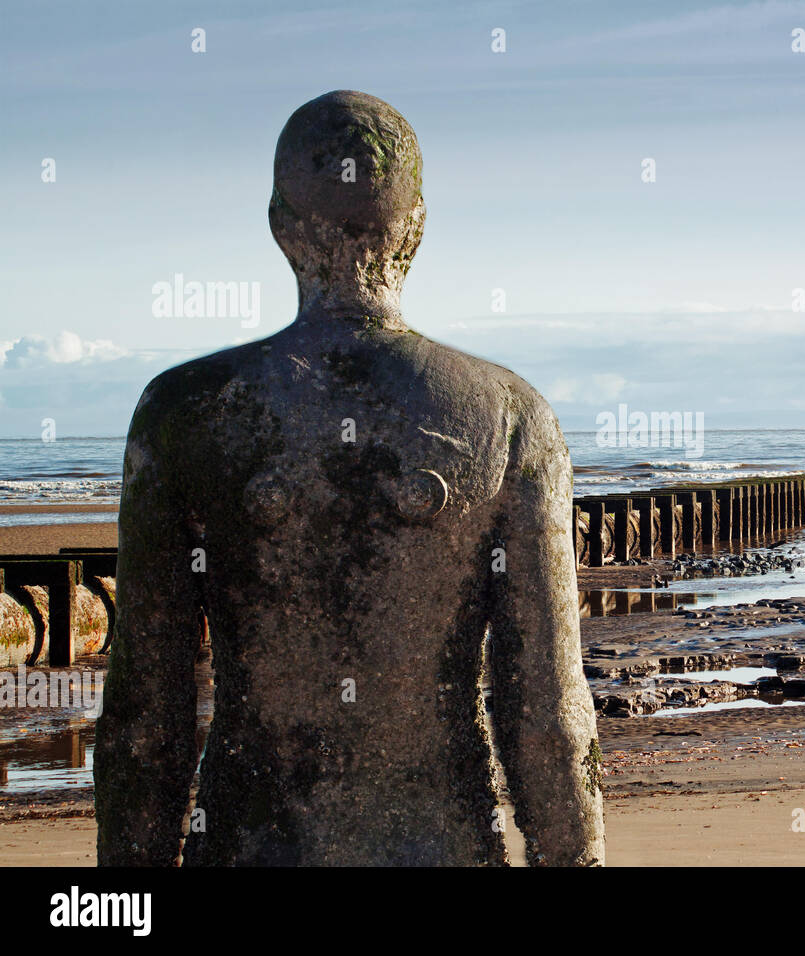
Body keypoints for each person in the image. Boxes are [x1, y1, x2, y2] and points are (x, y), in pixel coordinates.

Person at [94, 90, 605, 866]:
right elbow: (550, 716)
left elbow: (145, 718)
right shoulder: (506, 413)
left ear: (279, 228)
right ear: (418, 225)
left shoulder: (186, 413)